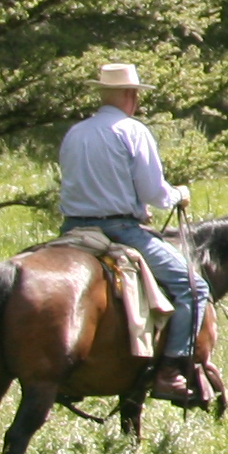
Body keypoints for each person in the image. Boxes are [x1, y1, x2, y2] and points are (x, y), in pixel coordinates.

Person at [59, 61, 207, 404]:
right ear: (129, 95)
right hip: (119, 229)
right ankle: (169, 373)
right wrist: (179, 195)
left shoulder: (75, 133)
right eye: (136, 96)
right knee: (193, 288)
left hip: (72, 229)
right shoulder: (132, 131)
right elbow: (155, 193)